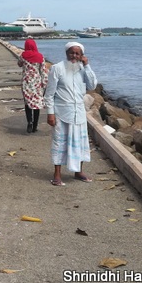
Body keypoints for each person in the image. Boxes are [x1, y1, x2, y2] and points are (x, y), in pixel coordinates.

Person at [43, 41, 97, 186]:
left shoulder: (82, 68)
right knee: (59, 143)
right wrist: (50, 113)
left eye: (77, 53)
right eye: (71, 52)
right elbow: (49, 93)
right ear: (66, 53)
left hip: (78, 112)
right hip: (62, 113)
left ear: (81, 55)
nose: (74, 55)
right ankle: (57, 174)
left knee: (79, 143)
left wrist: (87, 65)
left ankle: (78, 172)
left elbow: (92, 85)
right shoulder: (57, 68)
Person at [17, 39, 48, 134]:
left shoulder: (23, 55)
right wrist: (44, 83)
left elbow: (19, 64)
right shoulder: (40, 56)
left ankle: (29, 122)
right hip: (37, 82)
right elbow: (43, 71)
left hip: (26, 81)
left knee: (27, 103)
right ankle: (35, 125)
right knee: (37, 103)